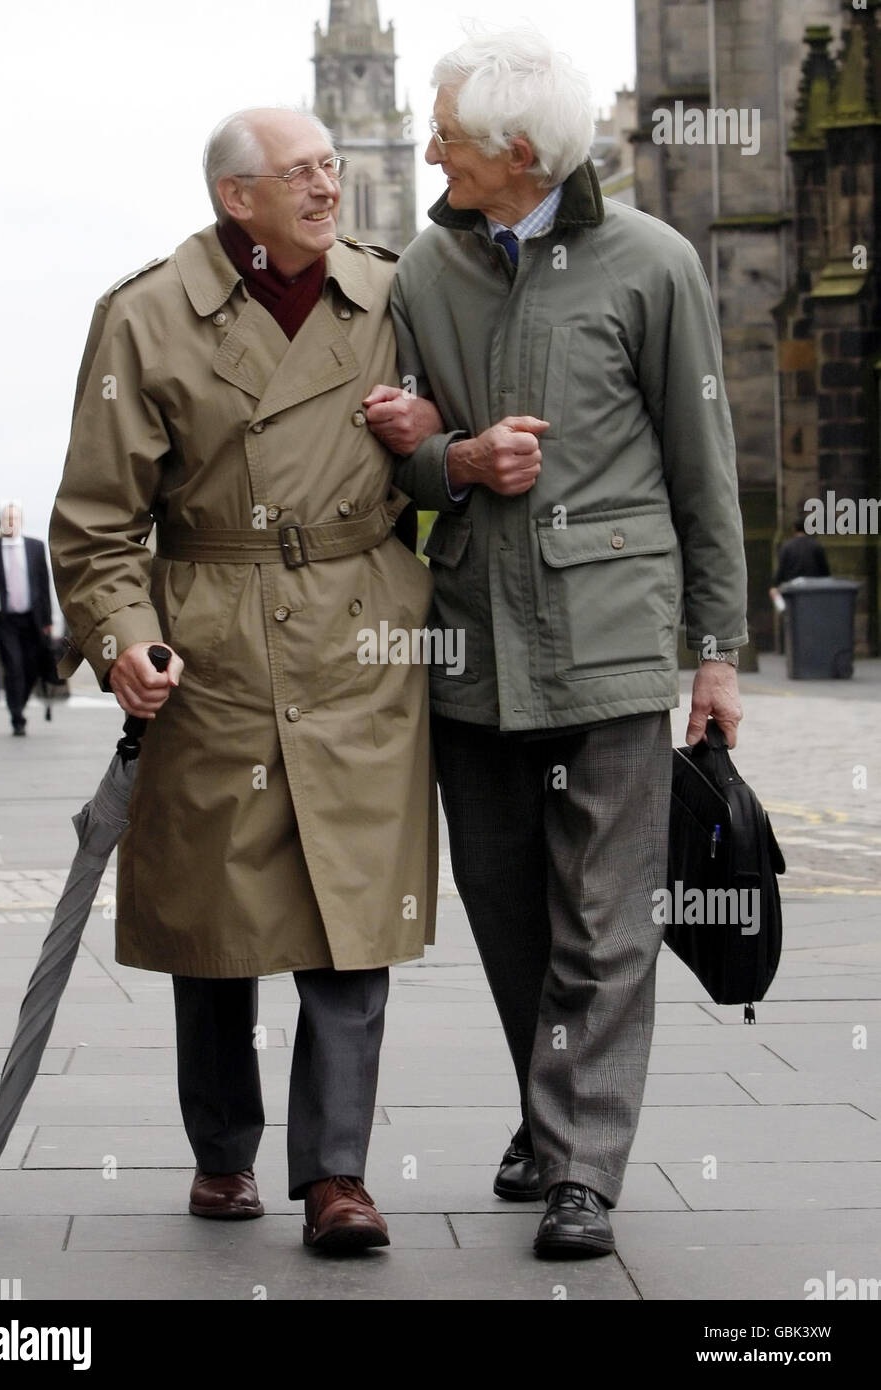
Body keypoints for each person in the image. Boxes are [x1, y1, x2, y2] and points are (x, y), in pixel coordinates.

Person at [365, 27, 747, 1259]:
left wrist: (717, 648)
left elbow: (704, 469)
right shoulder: (425, 267)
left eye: (449, 136)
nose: (429, 152)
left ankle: (581, 1162)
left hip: (611, 641)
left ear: (518, 154)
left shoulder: (653, 262)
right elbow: (404, 455)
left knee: (604, 912)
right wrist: (452, 459)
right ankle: (551, 1109)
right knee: (503, 904)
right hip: (471, 640)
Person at [49, 107, 441, 1252]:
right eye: (304, 175)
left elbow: (461, 442)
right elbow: (98, 516)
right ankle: (223, 1151)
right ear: (238, 200)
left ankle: (336, 1175)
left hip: (359, 625)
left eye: (331, 169)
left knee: (350, 905)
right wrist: (122, 632)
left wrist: (432, 436)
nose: (330, 189)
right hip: (212, 632)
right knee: (216, 910)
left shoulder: (394, 291)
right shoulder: (144, 315)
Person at [0, 505, 53, 734]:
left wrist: (47, 621)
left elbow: (43, 585)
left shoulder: (36, 547)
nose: (10, 522)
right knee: (13, 666)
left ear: (20, 522)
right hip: (5, 621)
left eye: (14, 518)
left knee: (31, 668)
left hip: (32, 619)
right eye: (6, 518)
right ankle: (17, 717)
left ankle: (20, 704)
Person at [769, 516, 830, 598]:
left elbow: (781, 569)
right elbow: (824, 570)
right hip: (813, 590)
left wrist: (774, 586)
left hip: (792, 590)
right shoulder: (816, 546)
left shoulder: (787, 547)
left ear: (794, 528)